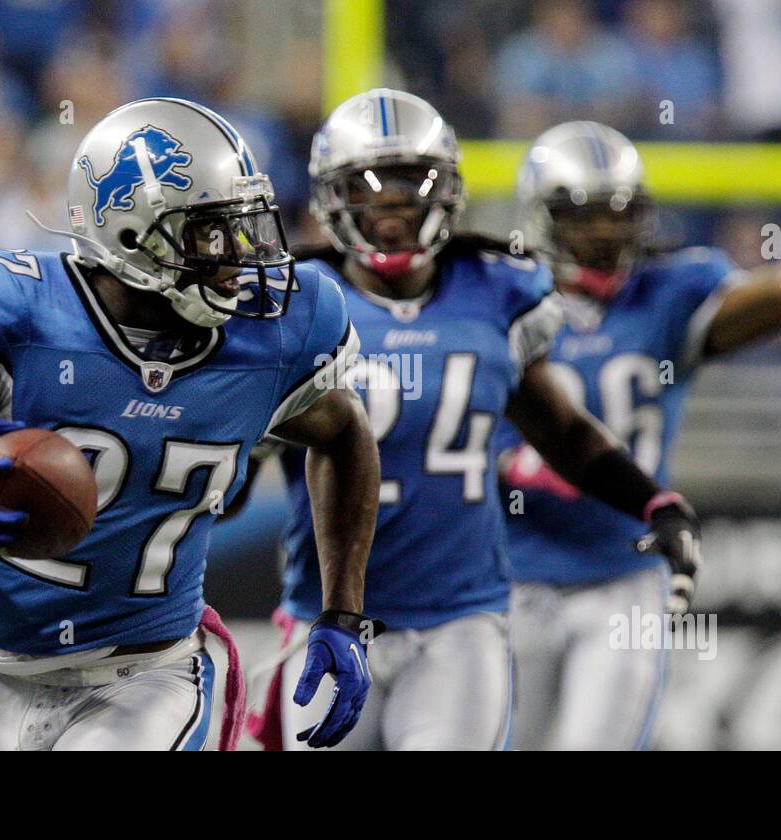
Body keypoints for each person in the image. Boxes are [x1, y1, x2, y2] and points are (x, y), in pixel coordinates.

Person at [0, 98, 383, 751]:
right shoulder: (19, 320)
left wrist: (342, 613)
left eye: (244, 227)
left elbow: (346, 435)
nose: (241, 256)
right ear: (129, 237)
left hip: (149, 674)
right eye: (210, 234)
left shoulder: (272, 335)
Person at [251, 89, 701, 751]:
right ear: (330, 201)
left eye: (407, 198)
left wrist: (651, 500)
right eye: (371, 200)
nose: (392, 221)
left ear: (446, 196)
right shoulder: (297, 302)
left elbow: (563, 431)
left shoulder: (496, 289)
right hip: (327, 617)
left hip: (460, 619)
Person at [500, 98, 781, 749]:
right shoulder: (497, 297)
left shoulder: (671, 290)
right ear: (543, 216)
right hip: (510, 574)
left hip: (623, 573)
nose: (607, 234)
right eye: (585, 217)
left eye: (619, 214)